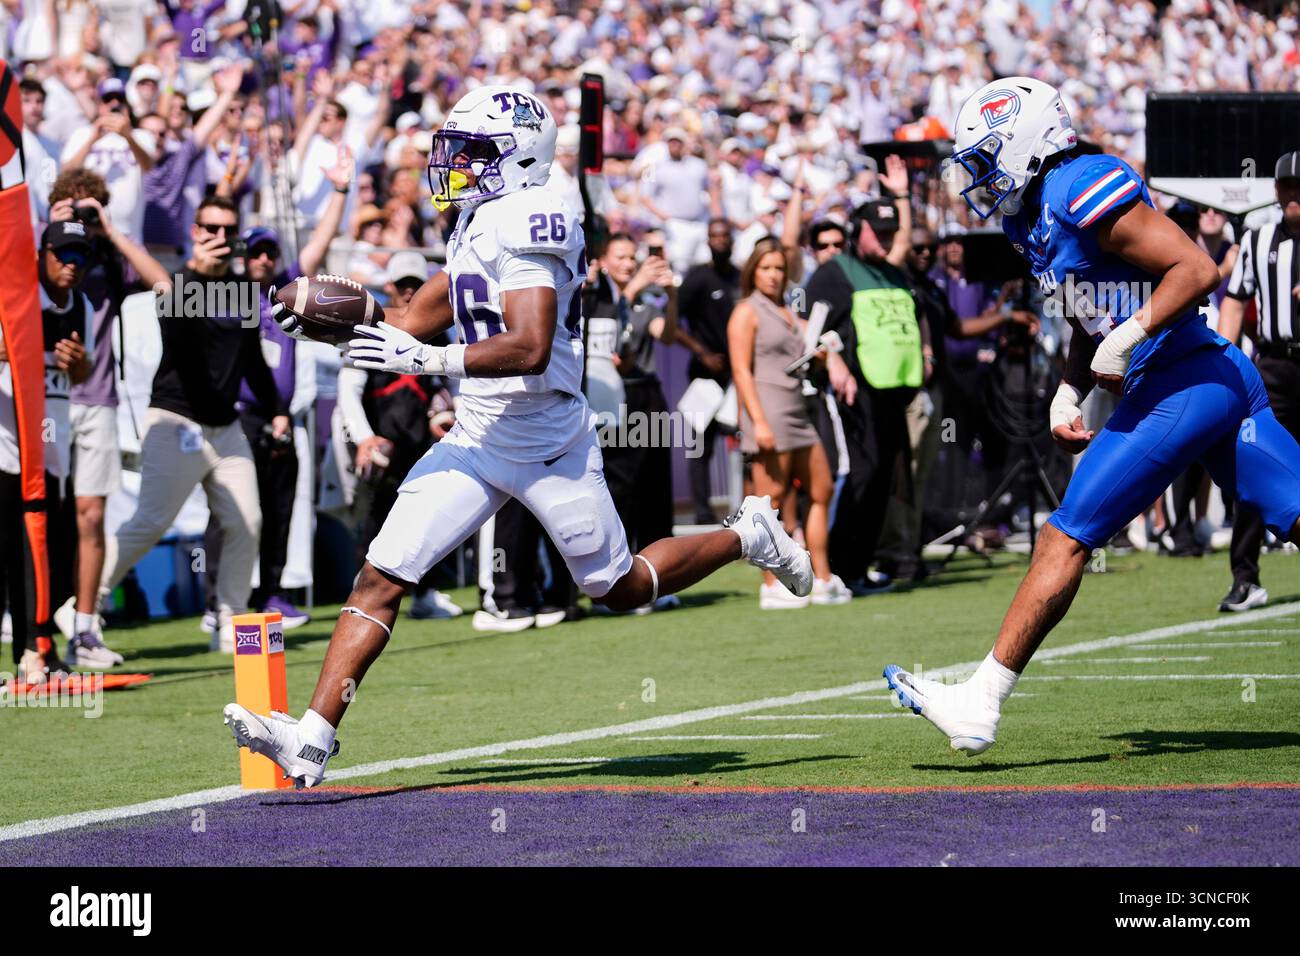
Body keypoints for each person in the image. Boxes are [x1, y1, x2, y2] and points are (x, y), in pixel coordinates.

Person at [225, 85, 812, 787]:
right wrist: (331, 320)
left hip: (546, 439)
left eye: (472, 153)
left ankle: (748, 536)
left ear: (519, 155)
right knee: (382, 574)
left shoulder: (538, 213)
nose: (456, 166)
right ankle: (311, 739)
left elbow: (530, 345)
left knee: (619, 588)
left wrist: (433, 360)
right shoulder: (478, 218)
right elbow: (413, 318)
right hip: (476, 434)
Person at [885, 78, 1300, 755]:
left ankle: (979, 702)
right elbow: (1093, 306)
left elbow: (1193, 270)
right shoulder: (1031, 216)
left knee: (1065, 535)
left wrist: (1127, 336)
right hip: (1213, 377)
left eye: (986, 157)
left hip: (1183, 380)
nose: (978, 177)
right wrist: (1069, 389)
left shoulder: (1082, 183)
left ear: (1024, 142)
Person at [100, 196, 290, 655]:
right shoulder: (179, 284)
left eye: (227, 229)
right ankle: (86, 602)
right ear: (195, 231)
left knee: (248, 521)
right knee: (149, 523)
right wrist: (194, 273)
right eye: (210, 227)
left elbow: (251, 362)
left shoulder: (244, 291)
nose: (219, 237)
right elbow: (178, 341)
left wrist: (277, 407)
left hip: (225, 429)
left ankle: (230, 620)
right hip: (176, 421)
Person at [803, 195, 923, 594]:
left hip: (892, 392)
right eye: (880, 232)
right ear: (858, 232)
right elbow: (810, 328)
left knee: (883, 479)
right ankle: (836, 568)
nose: (888, 240)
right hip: (853, 396)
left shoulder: (893, 273)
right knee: (858, 476)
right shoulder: (833, 273)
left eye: (893, 232)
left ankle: (858, 566)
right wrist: (833, 360)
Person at [729, 238, 851, 609]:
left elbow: (800, 360)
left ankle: (822, 577)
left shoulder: (785, 310)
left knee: (822, 489)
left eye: (779, 269)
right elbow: (741, 371)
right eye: (766, 268)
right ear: (753, 271)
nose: (773, 275)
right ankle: (771, 583)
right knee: (769, 504)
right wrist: (758, 422)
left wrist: (818, 356)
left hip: (798, 409)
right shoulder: (746, 311)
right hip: (768, 412)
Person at [0, 222, 96, 681]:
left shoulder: (83, 306)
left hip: (52, 448)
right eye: (63, 254)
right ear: (43, 253)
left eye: (80, 256)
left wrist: (76, 364)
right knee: (12, 554)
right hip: (8, 446)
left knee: (49, 557)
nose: (71, 265)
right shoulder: (14, 300)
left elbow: (82, 373)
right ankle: (29, 648)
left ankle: (38, 648)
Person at [1215, 150, 1300, 612]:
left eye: (1299, 186)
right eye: (1286, 186)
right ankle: (1245, 577)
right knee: (1252, 462)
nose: (1292, 195)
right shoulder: (1257, 237)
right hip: (1273, 365)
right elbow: (1235, 298)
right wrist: (1225, 357)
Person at [676, 217, 740, 525]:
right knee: (700, 445)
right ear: (707, 241)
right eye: (715, 236)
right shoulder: (699, 277)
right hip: (705, 377)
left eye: (725, 235)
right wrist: (702, 352)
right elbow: (671, 321)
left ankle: (746, 507)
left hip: (739, 376)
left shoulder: (741, 278)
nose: (720, 241)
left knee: (744, 444)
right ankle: (703, 513)